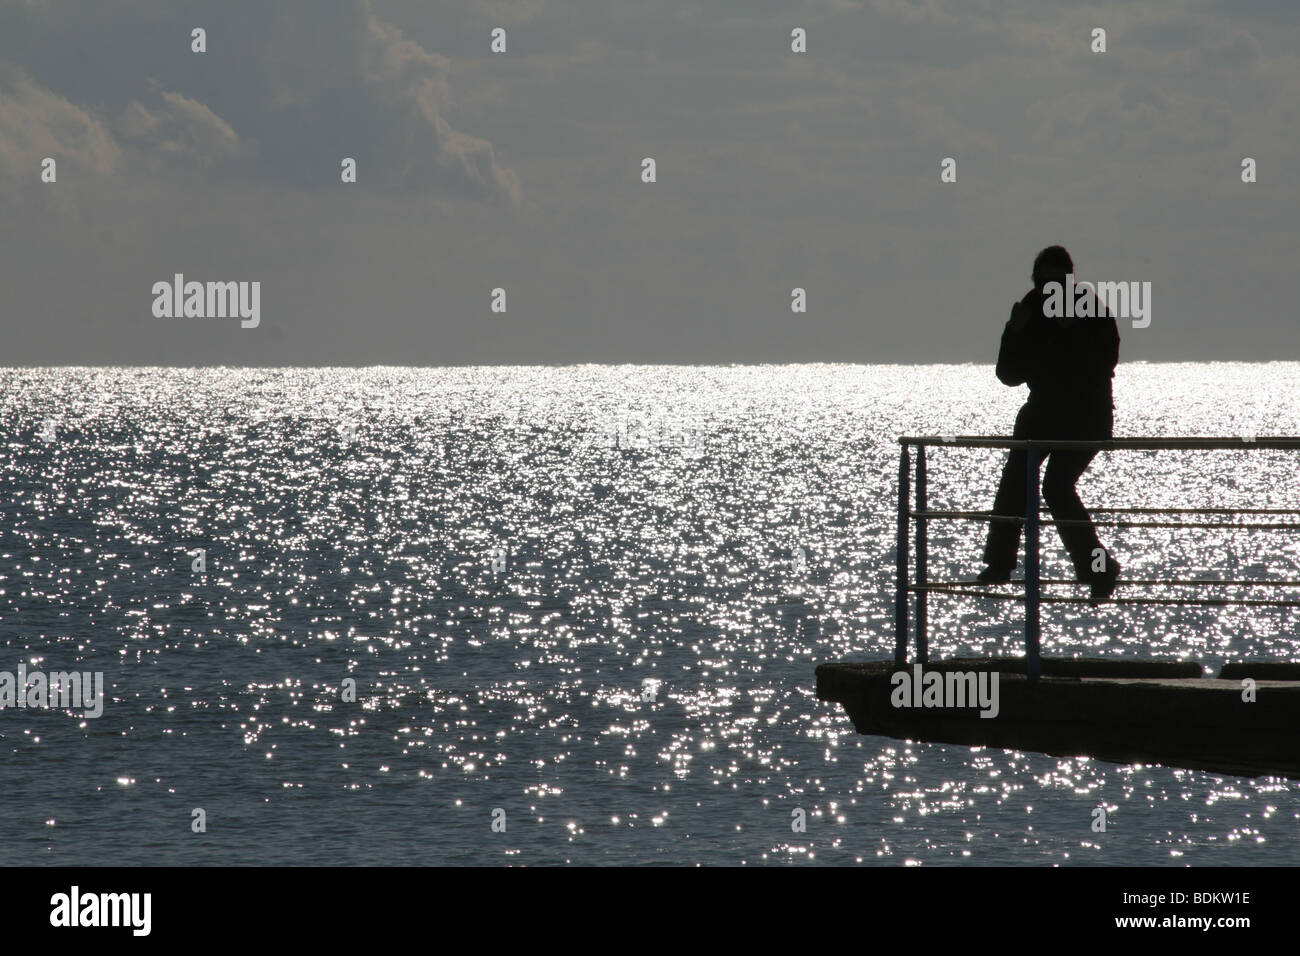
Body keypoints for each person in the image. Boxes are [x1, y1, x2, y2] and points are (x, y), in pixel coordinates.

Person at [976, 246, 1121, 603]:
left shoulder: (1091, 314)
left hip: (1085, 417)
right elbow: (1008, 375)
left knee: (1056, 488)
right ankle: (999, 563)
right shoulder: (1030, 312)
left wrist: (1067, 332)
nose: (1049, 290)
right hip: (1043, 414)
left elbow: (1102, 364)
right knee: (1015, 480)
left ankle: (1098, 569)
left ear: (1071, 282)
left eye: (1057, 282)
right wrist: (1014, 331)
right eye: (1043, 283)